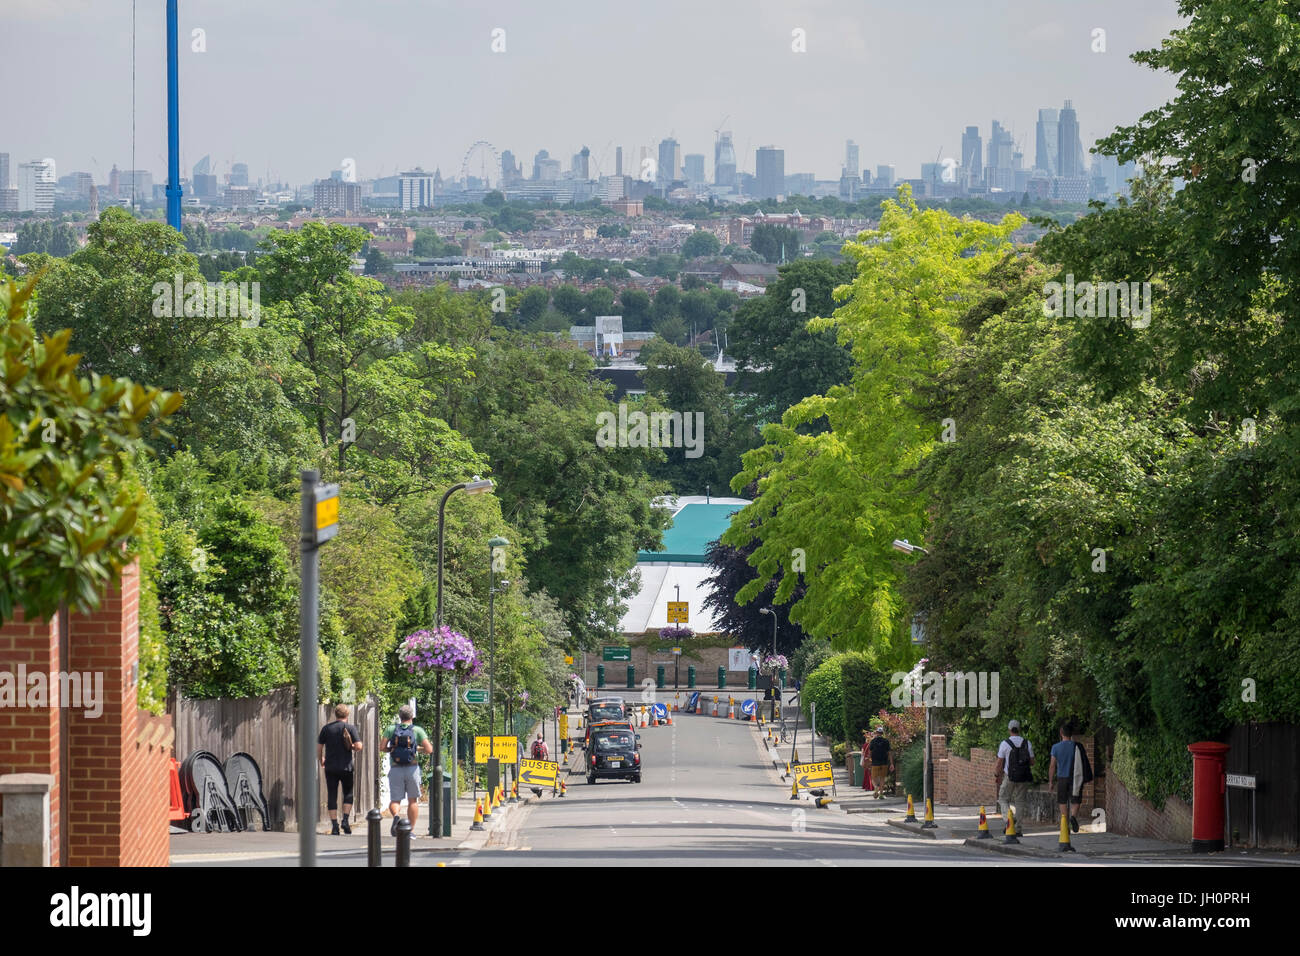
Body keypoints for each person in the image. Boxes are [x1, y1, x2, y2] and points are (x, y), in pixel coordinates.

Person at [382, 705, 433, 836]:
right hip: (412, 768)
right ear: (412, 717)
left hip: (395, 768)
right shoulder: (417, 730)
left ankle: (396, 817)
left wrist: (391, 749)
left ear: (400, 716)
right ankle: (410, 830)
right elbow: (429, 749)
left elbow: (382, 747)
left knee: (395, 799)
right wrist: (416, 749)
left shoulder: (391, 729)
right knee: (412, 800)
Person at [317, 704, 363, 835]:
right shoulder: (350, 728)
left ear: (335, 714)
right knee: (347, 793)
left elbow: (319, 747)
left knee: (332, 794)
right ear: (347, 715)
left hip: (331, 767)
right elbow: (359, 746)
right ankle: (345, 821)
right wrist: (352, 746)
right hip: (346, 767)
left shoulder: (326, 729)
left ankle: (334, 826)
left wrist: (321, 760)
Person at [1047, 720, 1091, 833]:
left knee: (1062, 801)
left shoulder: (1055, 747)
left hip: (1062, 778)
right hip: (1075, 777)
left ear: (1061, 733)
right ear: (1071, 734)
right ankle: (1073, 817)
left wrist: (1051, 781)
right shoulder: (1077, 746)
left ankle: (1064, 823)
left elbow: (1052, 766)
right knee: (1076, 799)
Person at [993, 719, 1033, 823]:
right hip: (1024, 776)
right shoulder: (1027, 743)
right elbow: (1032, 762)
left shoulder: (1005, 744)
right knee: (1020, 802)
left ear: (1009, 729)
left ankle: (1009, 820)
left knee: (1003, 798)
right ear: (1019, 729)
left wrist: (997, 774)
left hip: (1009, 776)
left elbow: (999, 762)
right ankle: (1018, 828)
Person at [867, 727, 893, 799]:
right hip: (884, 763)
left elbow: (870, 753)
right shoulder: (886, 741)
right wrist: (891, 763)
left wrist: (869, 761)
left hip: (875, 763)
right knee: (882, 778)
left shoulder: (873, 741)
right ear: (882, 733)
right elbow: (889, 753)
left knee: (873, 778)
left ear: (877, 733)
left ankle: (876, 787)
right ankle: (881, 794)